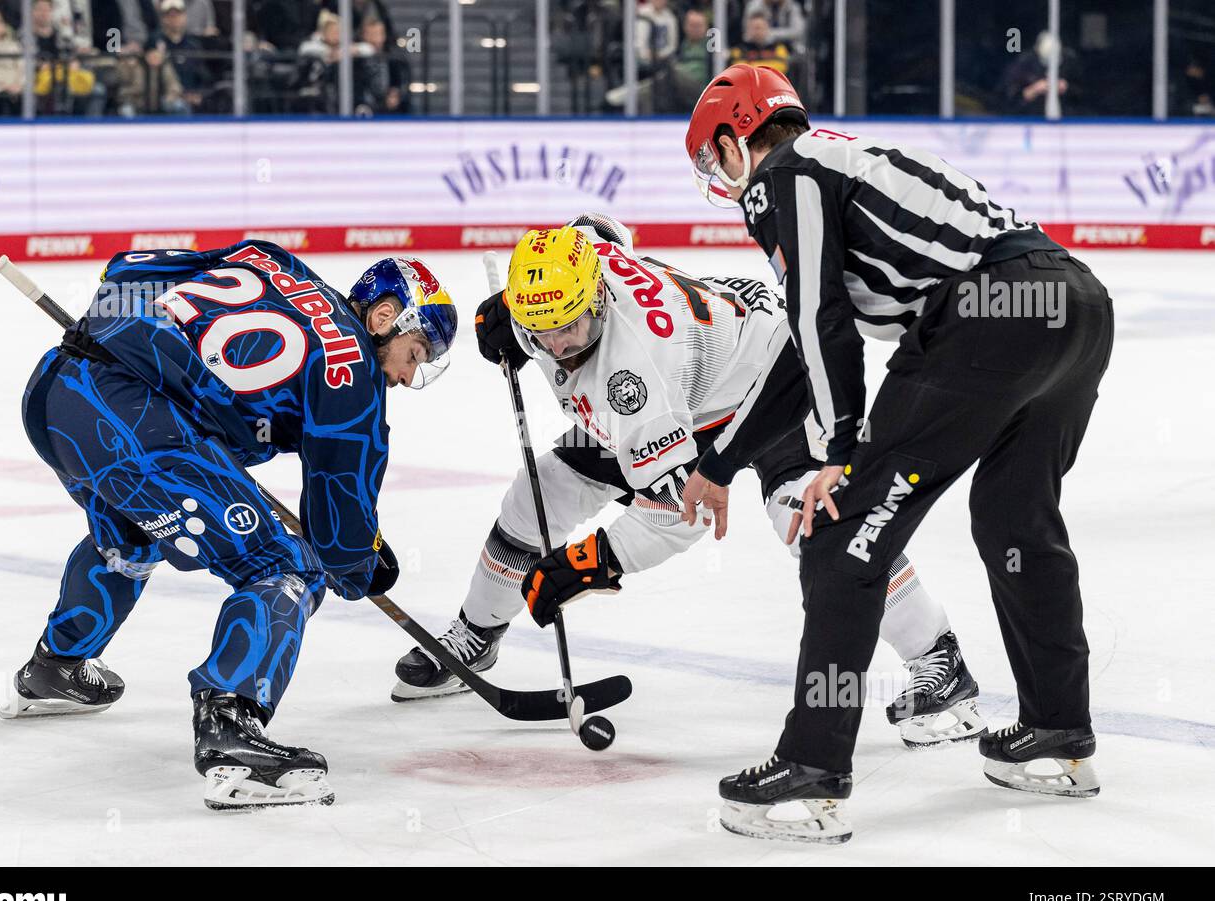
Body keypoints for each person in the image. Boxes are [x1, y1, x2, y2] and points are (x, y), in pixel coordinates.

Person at [682, 64, 1113, 841]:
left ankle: (811, 773)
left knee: (843, 536)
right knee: (1017, 522)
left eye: (714, 157)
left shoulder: (786, 173)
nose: (719, 176)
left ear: (736, 133)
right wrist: (720, 464)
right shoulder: (849, 155)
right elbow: (803, 347)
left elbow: (820, 320)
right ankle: (1059, 735)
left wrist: (842, 454)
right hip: (1071, 301)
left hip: (985, 320)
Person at [391, 214, 983, 752]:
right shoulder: (574, 277)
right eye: (539, 328)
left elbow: (684, 512)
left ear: (596, 297)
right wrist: (509, 312)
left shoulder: (631, 377)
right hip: (693, 389)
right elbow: (600, 227)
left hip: (768, 382)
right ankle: (477, 635)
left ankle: (940, 659)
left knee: (815, 523)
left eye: (569, 326)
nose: (558, 346)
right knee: (539, 492)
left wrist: (591, 561)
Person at [1, 242, 457, 810]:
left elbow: (129, 267)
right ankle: (230, 728)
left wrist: (140, 350)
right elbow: (337, 525)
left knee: (134, 533)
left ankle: (57, 665)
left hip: (58, 390)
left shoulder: (274, 260)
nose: (408, 376)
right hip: (138, 426)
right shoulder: (353, 370)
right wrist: (363, 562)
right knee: (285, 565)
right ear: (385, 317)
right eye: (414, 354)